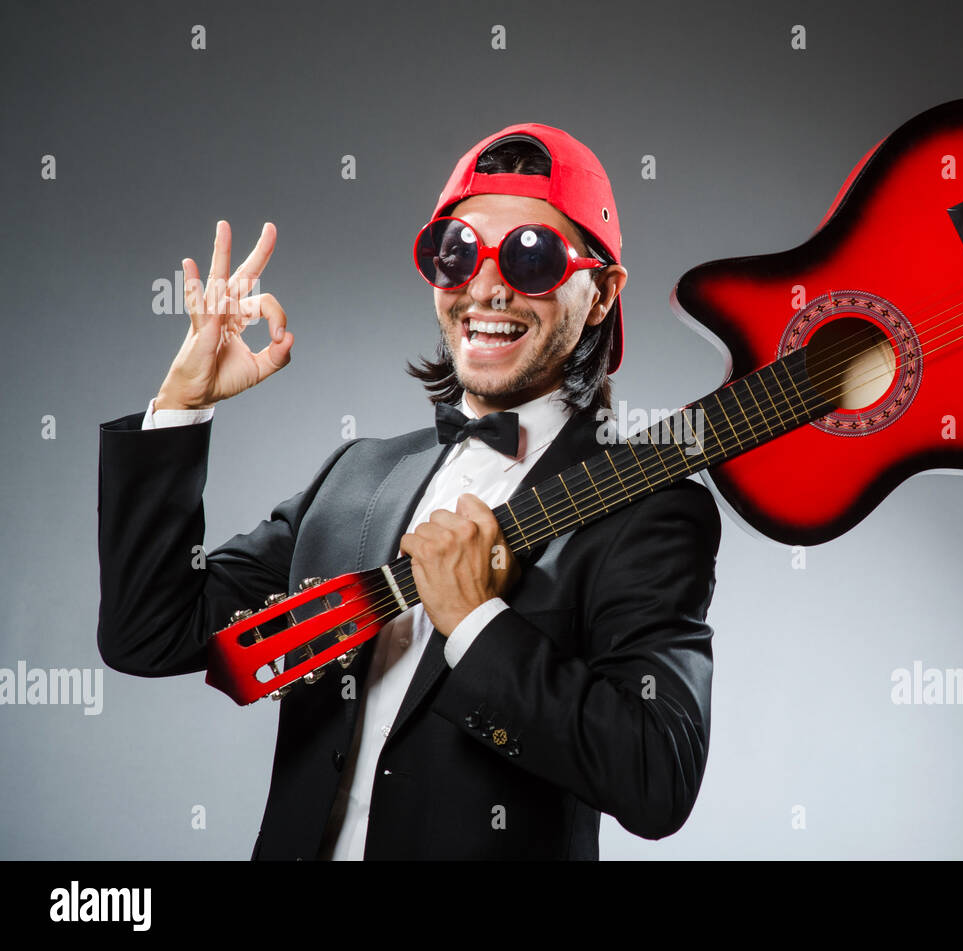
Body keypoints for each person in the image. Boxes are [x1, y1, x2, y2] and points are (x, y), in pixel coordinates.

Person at [96, 123, 722, 860]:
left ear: (599, 294)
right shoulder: (355, 477)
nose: (486, 286)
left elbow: (657, 776)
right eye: (456, 252)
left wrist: (476, 623)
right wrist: (181, 403)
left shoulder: (649, 509)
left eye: (533, 256)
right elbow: (147, 630)